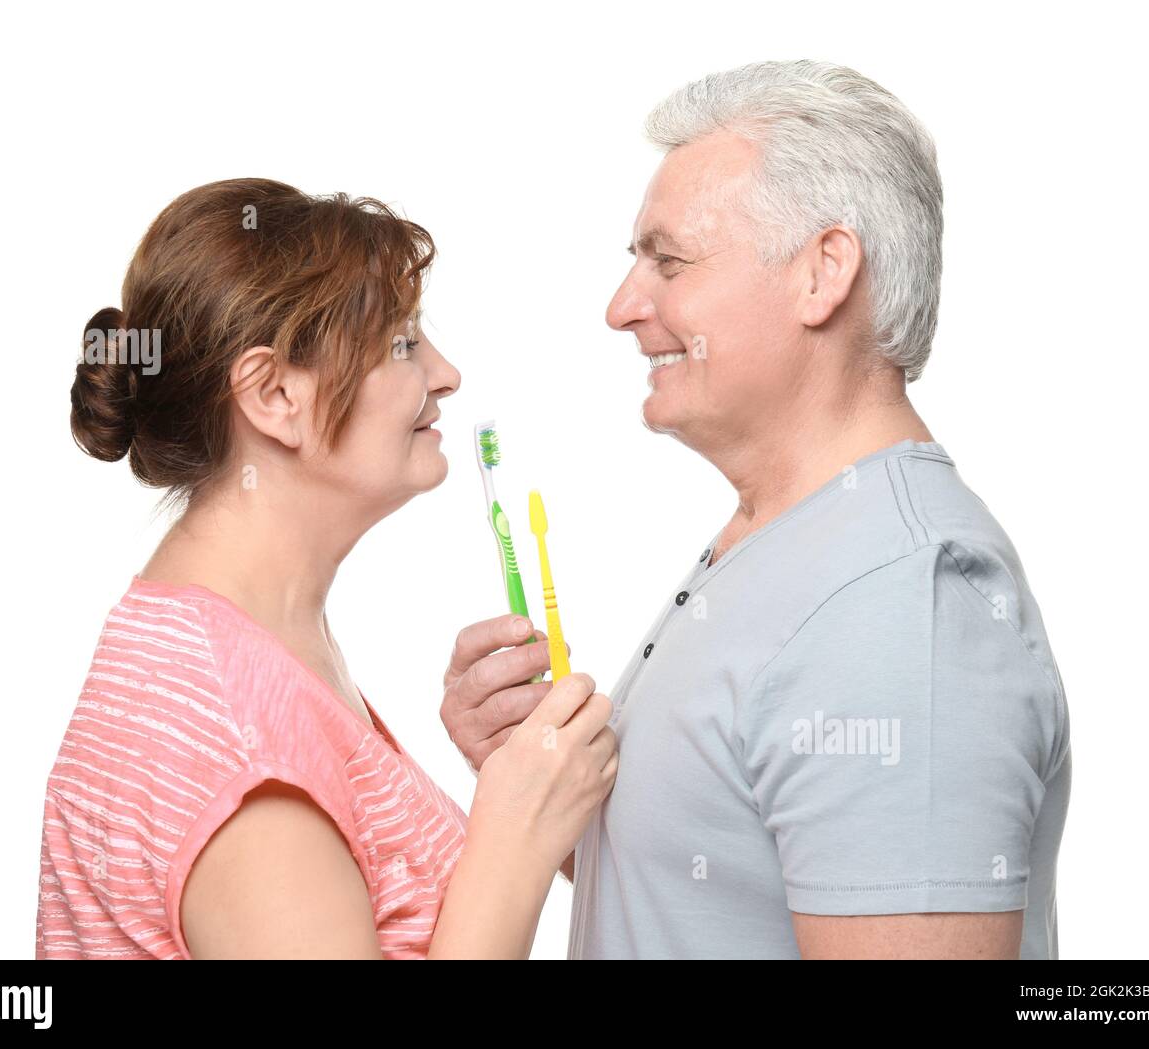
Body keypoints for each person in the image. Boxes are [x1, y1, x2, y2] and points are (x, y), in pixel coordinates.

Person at [441, 60, 1071, 959]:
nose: (623, 307)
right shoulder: (790, 543)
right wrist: (539, 780)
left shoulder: (899, 606)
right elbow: (706, 894)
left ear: (823, 273)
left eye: (671, 261)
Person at [36, 178, 617, 959]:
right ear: (275, 393)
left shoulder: (254, 651)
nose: (444, 373)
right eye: (403, 342)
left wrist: (525, 790)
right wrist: (514, 841)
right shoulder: (242, 753)